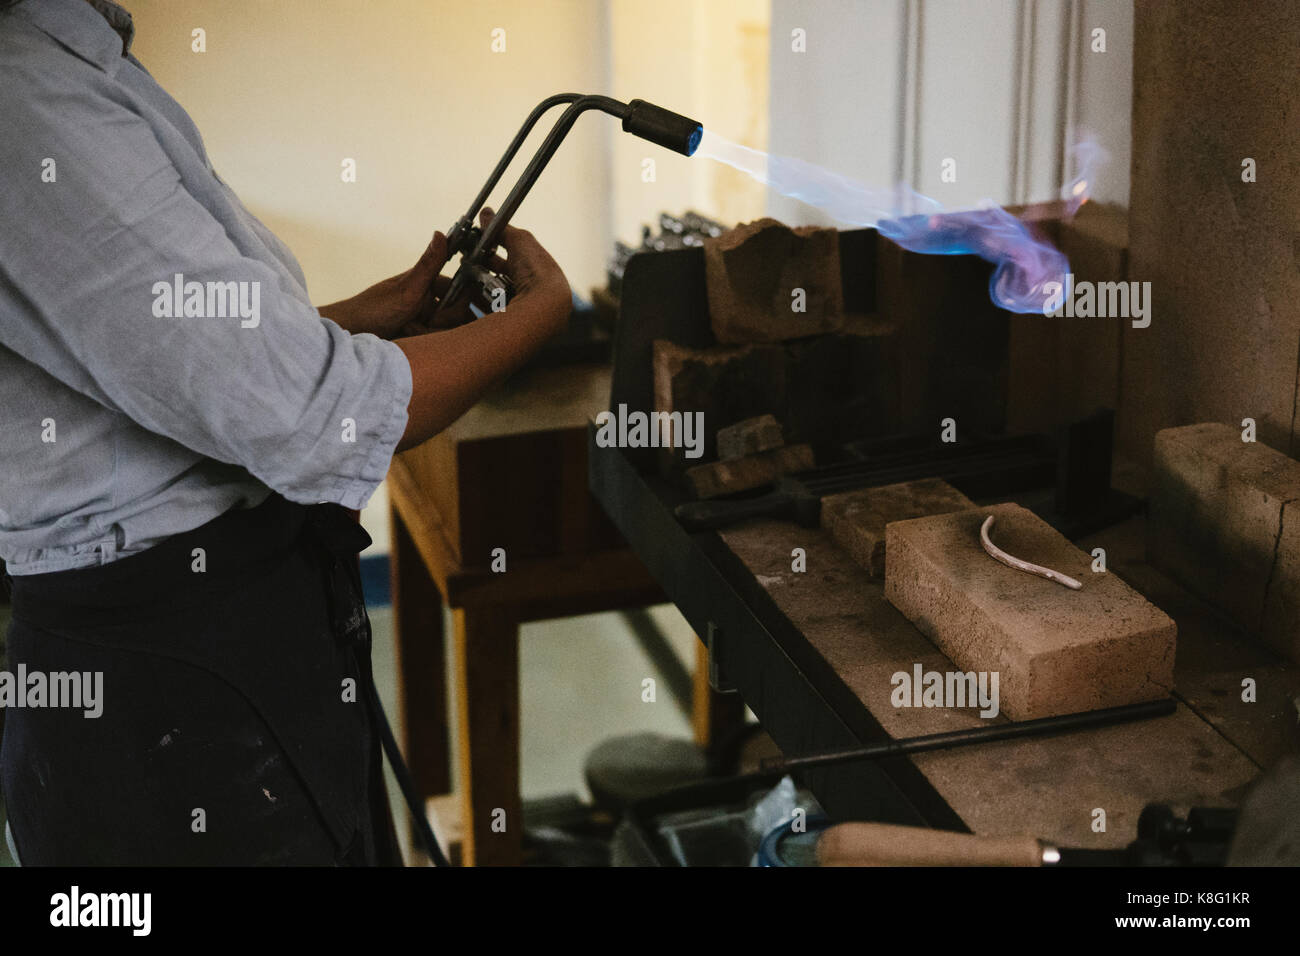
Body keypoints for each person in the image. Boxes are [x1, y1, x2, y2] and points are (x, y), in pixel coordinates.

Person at [0, 0, 572, 864]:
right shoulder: (28, 99)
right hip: (172, 692)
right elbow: (315, 417)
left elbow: (143, 359)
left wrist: (338, 327)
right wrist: (542, 315)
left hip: (200, 649)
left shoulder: (75, 59)